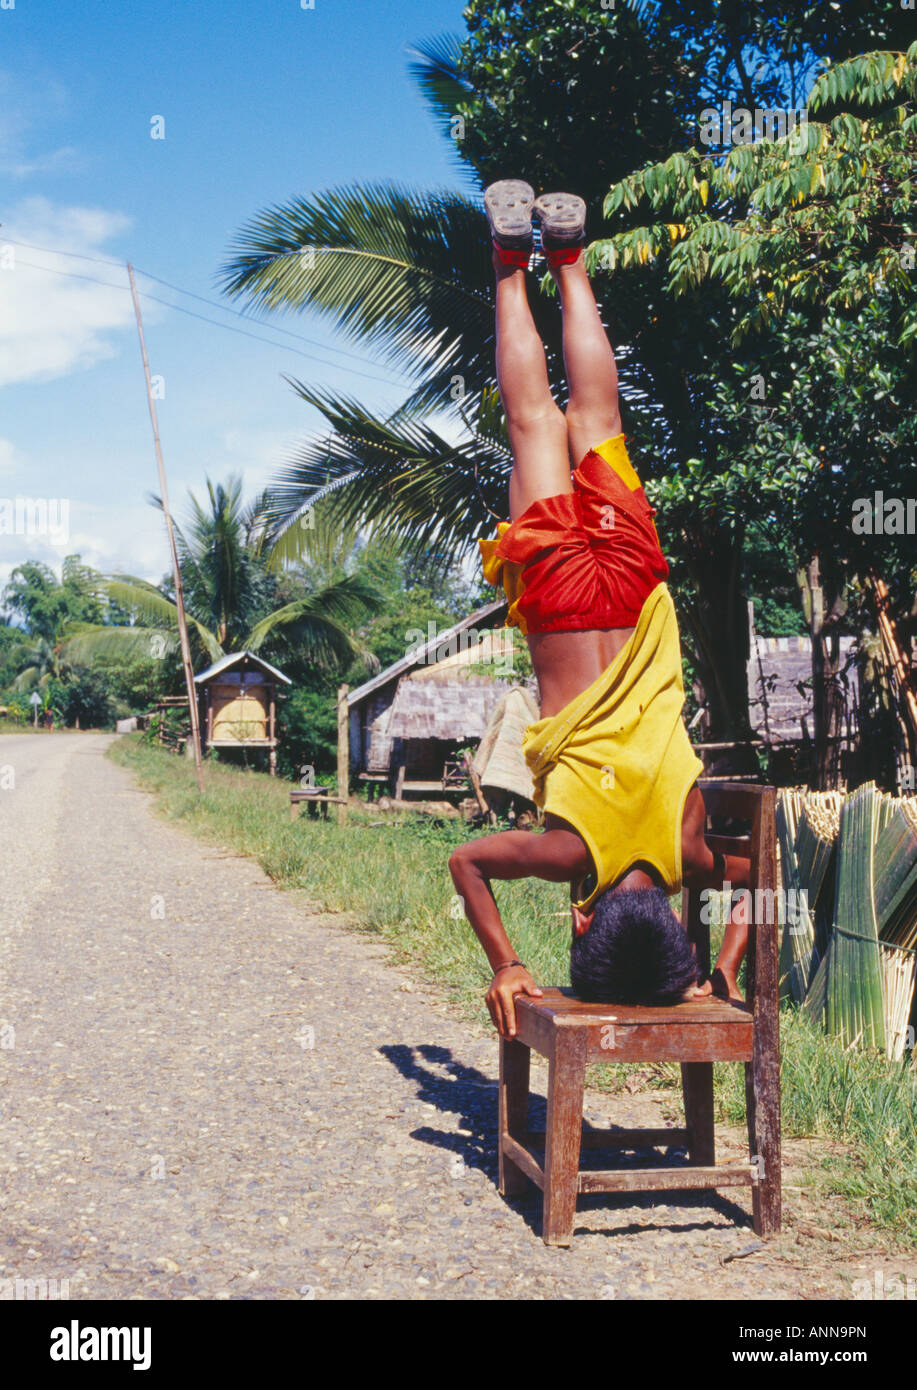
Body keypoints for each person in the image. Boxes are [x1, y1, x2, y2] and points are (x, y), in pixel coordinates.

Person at [448, 181, 750, 1040]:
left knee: (595, 415)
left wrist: (723, 968)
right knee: (532, 421)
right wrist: (506, 961)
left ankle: (570, 260)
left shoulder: (690, 857)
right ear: (581, 920)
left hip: (630, 591)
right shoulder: (563, 854)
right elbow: (464, 861)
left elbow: (759, 876)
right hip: (556, 604)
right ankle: (511, 266)